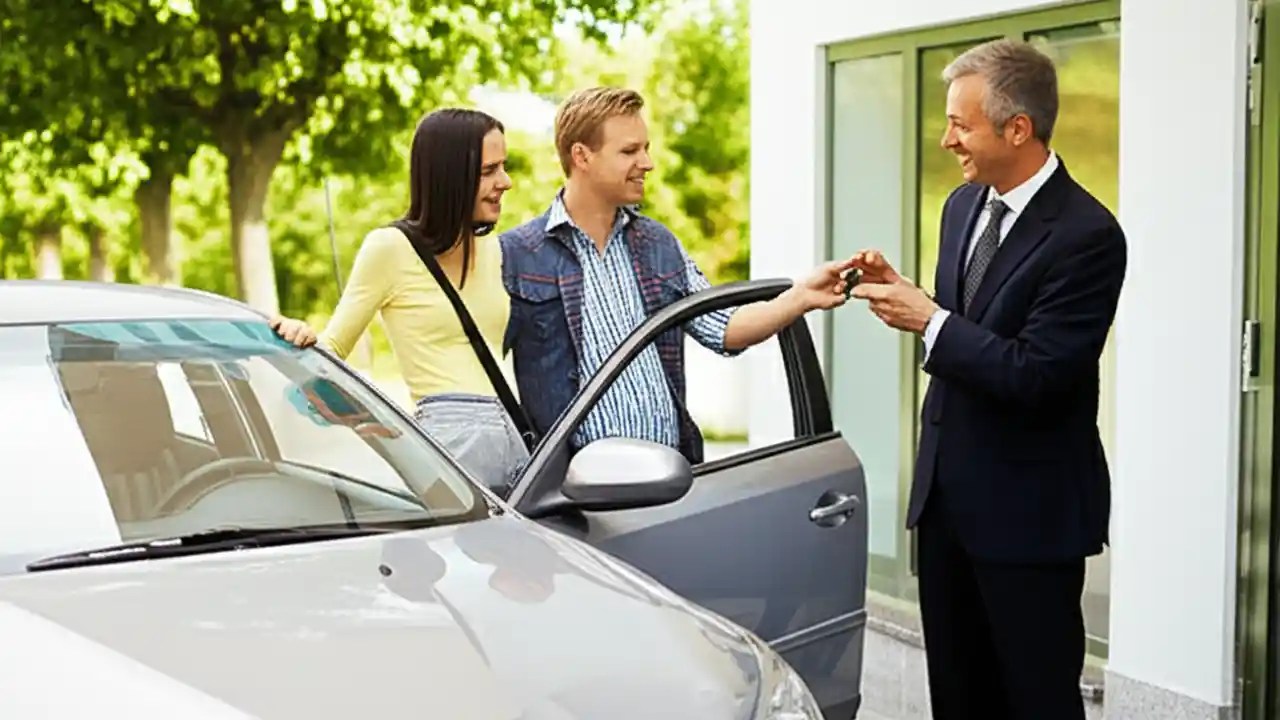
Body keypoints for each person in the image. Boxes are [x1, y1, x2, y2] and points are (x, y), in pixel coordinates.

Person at [847, 39, 1126, 720]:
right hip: (946, 512)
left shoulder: (1089, 236)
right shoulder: (962, 208)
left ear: (1018, 129)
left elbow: (1038, 373)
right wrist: (908, 296)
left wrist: (930, 321)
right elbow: (973, 324)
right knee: (960, 701)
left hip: (1030, 522)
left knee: (1036, 702)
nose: (947, 141)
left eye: (960, 125)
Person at [499, 86, 854, 463]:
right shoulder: (517, 254)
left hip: (668, 480)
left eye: (646, 148)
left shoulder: (659, 244)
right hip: (571, 500)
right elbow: (473, 364)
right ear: (581, 156)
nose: (647, 162)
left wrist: (800, 296)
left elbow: (724, 329)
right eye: (630, 151)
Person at [271, 108, 524, 488]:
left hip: (517, 447)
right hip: (450, 447)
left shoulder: (497, 251)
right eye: (489, 171)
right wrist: (386, 430)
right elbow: (327, 359)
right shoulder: (391, 248)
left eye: (503, 167)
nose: (505, 182)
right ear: (450, 175)